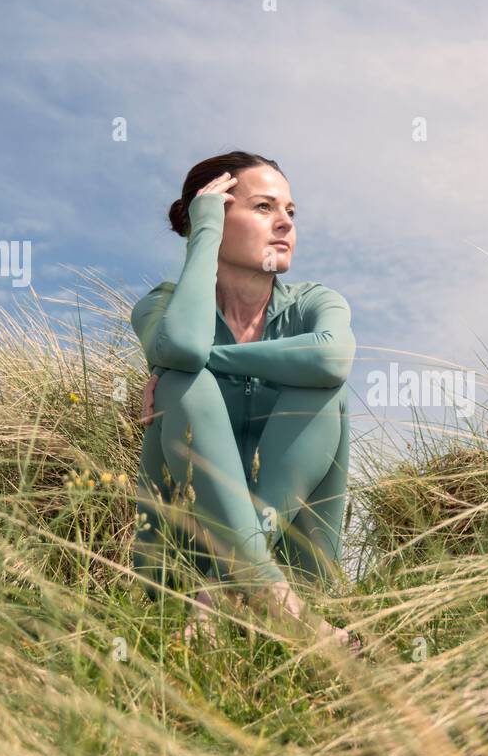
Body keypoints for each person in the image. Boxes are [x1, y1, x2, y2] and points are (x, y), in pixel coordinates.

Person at [129, 151, 359, 655]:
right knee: (183, 382)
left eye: (291, 211)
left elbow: (331, 359)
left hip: (296, 571)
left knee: (322, 386)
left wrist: (208, 359)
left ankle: (226, 592)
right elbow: (183, 347)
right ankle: (267, 600)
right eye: (263, 207)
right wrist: (204, 233)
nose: (285, 223)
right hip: (178, 574)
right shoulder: (161, 307)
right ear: (209, 218)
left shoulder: (315, 304)